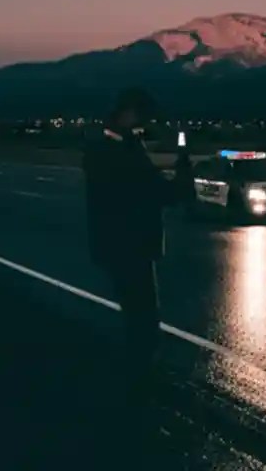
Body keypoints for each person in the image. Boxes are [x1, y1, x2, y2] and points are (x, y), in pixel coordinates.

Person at [82, 87, 193, 412]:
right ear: (128, 114)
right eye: (142, 117)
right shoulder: (120, 153)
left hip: (117, 246)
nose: (146, 123)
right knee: (143, 321)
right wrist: (183, 167)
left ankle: (132, 387)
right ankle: (135, 394)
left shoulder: (105, 149)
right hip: (130, 247)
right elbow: (162, 193)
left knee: (136, 317)